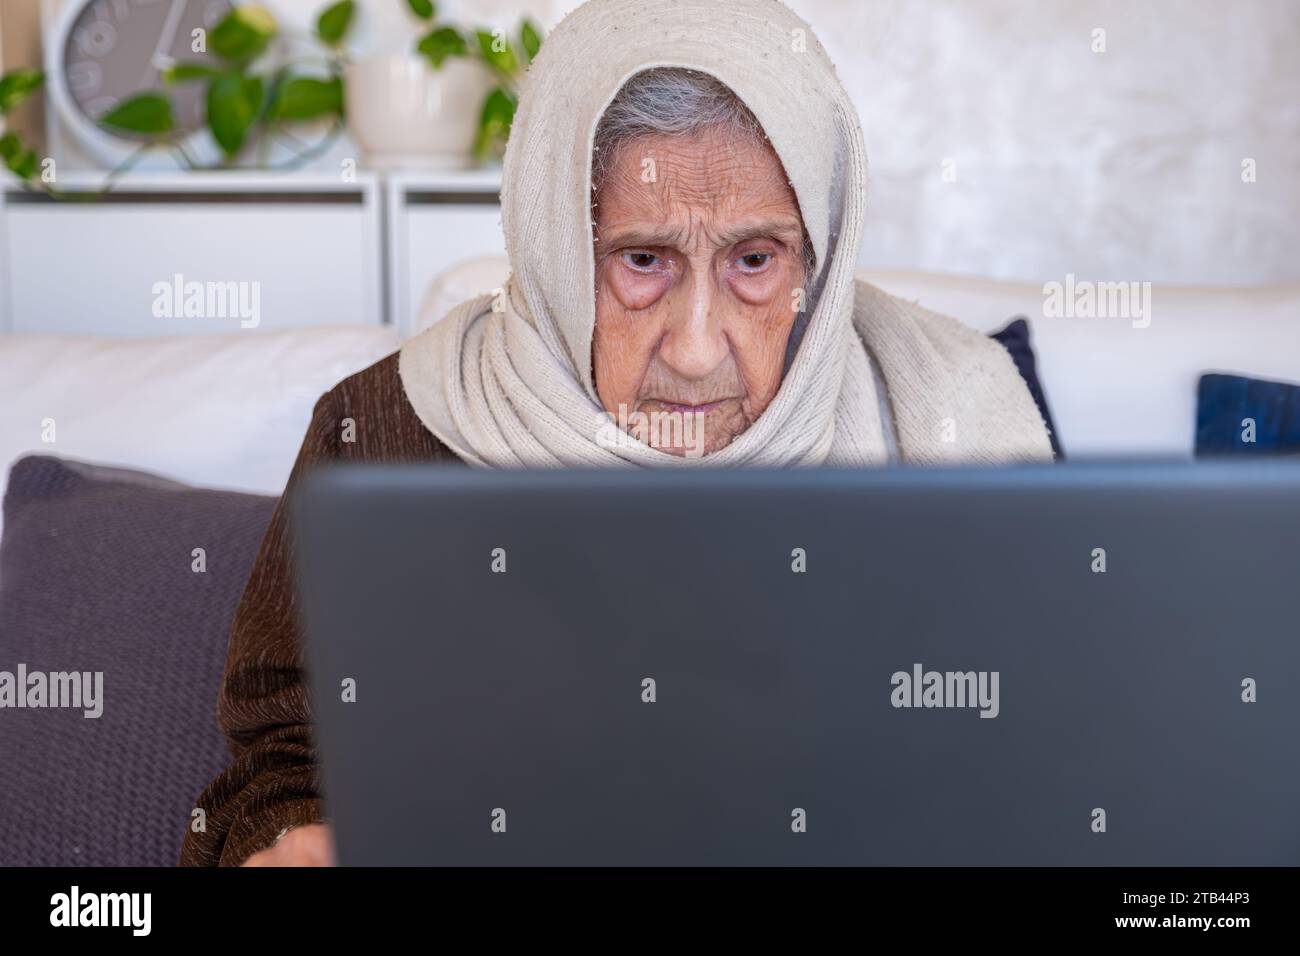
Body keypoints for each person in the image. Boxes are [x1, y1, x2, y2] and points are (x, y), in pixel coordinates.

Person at [181, 0, 1052, 867]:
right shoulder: (379, 432)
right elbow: (287, 755)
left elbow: (1046, 753)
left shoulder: (943, 421)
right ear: (559, 246)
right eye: (643, 260)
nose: (699, 346)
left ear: (813, 262)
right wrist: (289, 838)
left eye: (755, 260)